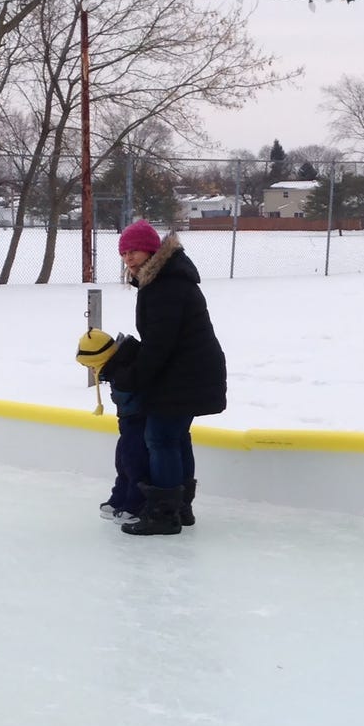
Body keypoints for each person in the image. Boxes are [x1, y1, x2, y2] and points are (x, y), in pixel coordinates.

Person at [95, 219, 225, 536]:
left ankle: (164, 514)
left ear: (152, 250)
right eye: (124, 253)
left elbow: (160, 344)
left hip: (184, 375)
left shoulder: (165, 286)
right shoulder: (165, 280)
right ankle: (180, 508)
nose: (128, 258)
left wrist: (131, 376)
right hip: (187, 372)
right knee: (175, 437)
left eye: (134, 251)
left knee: (161, 439)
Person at [75, 326, 147, 523]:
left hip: (139, 421)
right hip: (128, 422)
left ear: (100, 359)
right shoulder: (118, 367)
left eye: (91, 366)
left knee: (134, 461)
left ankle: (136, 504)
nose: (91, 370)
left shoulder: (125, 370)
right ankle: (121, 496)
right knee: (123, 459)